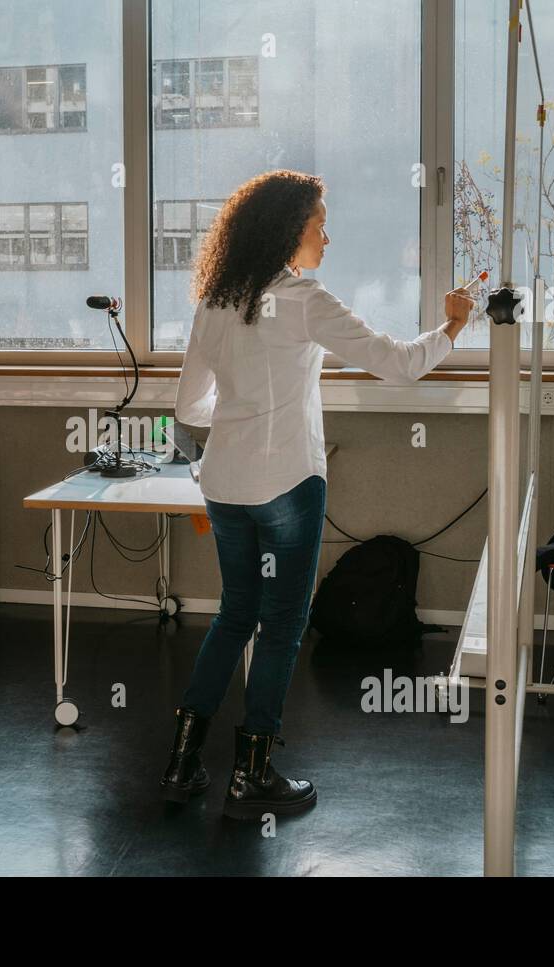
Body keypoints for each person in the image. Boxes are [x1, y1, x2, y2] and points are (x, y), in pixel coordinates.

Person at [165, 170, 474, 819]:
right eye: (318, 224)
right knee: (281, 626)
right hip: (285, 486)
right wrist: (452, 328)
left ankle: (182, 761)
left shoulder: (214, 302)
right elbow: (395, 362)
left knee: (233, 616)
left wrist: (245, 404)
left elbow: (189, 404)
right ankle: (251, 773)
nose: (327, 238)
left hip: (223, 484)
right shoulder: (303, 298)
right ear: (287, 230)